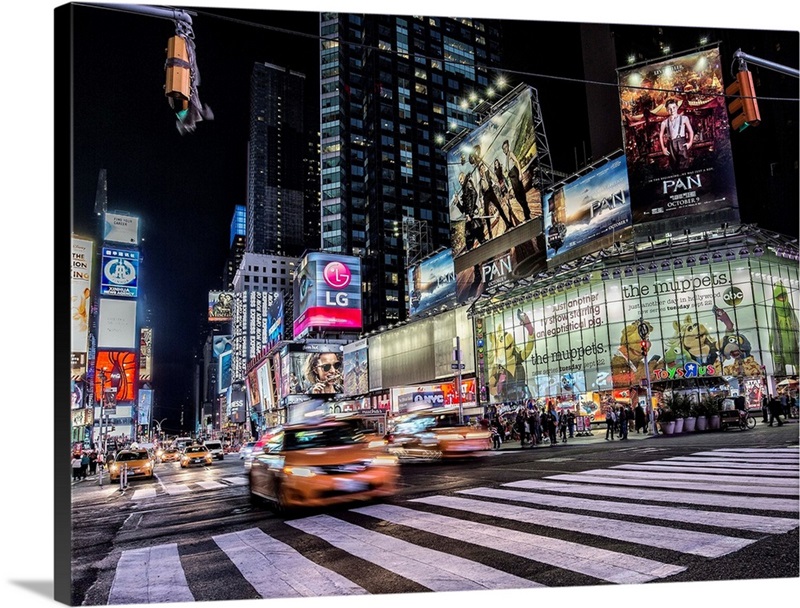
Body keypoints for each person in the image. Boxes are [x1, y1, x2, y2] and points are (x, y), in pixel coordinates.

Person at [659, 98, 694, 173]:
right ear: (666, 110)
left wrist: (690, 142)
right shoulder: (664, 122)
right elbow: (661, 135)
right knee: (674, 165)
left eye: (674, 108)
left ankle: (685, 179)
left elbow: (691, 131)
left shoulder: (684, 118)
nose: (672, 110)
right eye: (669, 109)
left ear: (677, 107)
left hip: (681, 142)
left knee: (684, 165)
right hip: (670, 144)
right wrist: (663, 148)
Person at [501, 139, 532, 221]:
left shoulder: (510, 153)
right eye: (503, 148)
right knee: (518, 196)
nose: (505, 149)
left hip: (515, 173)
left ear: (508, 147)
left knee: (520, 195)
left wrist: (520, 173)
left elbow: (517, 161)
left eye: (506, 147)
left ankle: (527, 214)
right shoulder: (506, 157)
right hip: (511, 175)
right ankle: (527, 211)